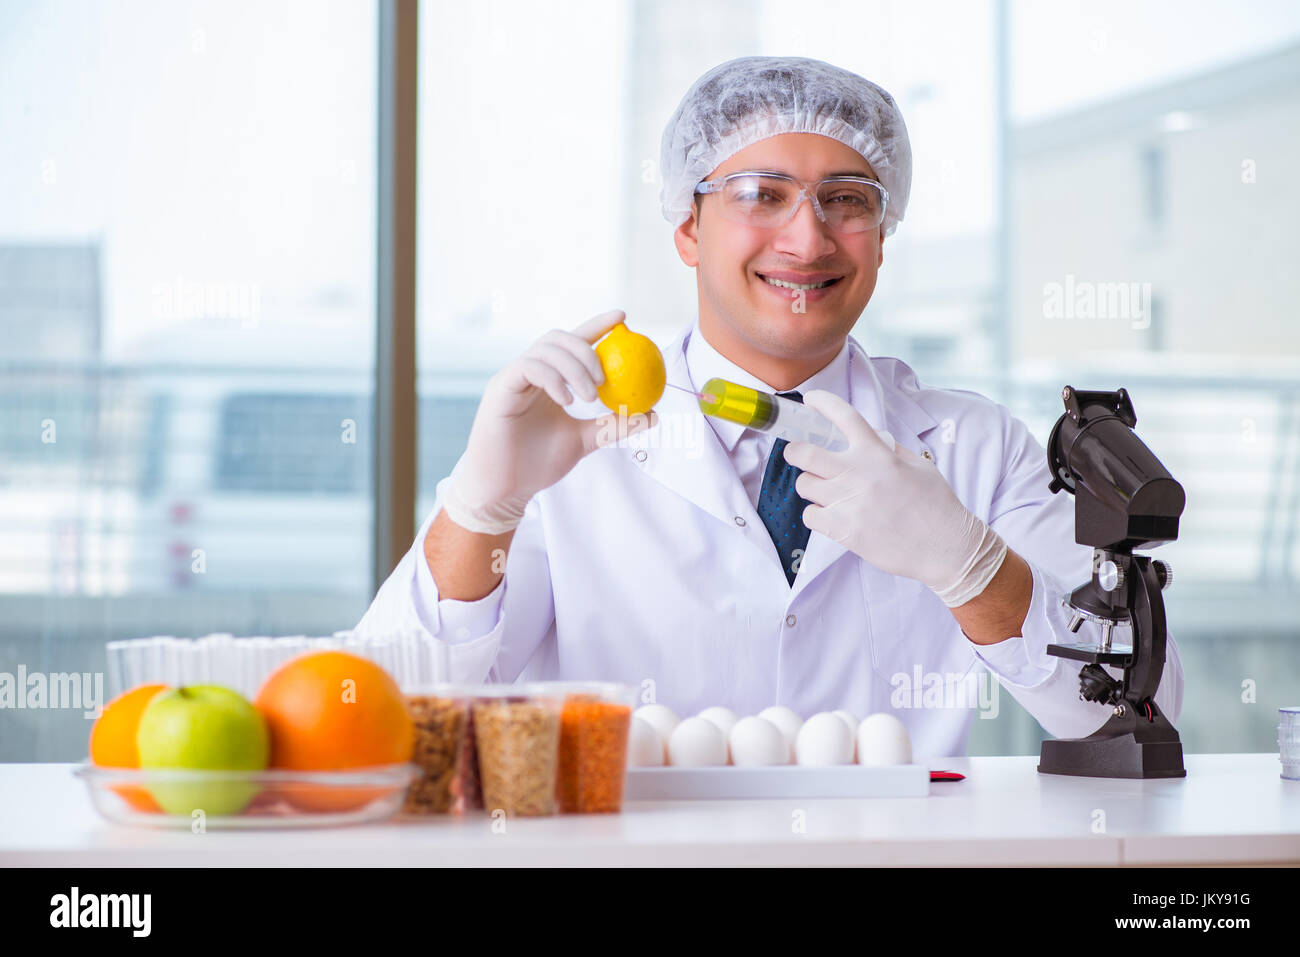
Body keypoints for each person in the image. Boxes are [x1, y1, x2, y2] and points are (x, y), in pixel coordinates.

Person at [355, 56, 1183, 758]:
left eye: (848, 199)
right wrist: (482, 506)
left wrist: (967, 566)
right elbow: (381, 719)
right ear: (687, 225)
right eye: (761, 193)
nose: (808, 239)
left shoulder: (975, 448)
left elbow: (1140, 716)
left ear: (884, 232)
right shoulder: (571, 441)